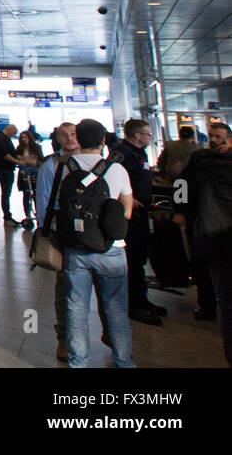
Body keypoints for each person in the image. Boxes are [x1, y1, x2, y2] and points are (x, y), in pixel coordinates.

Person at [53, 119, 134, 368]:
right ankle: (123, 361)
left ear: (79, 139)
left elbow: (59, 206)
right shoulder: (117, 170)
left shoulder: (64, 168)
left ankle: (78, 362)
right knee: (116, 309)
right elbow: (127, 212)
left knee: (76, 308)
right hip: (111, 248)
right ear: (102, 141)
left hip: (76, 248)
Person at [175, 121, 232, 365]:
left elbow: (181, 183)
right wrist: (180, 210)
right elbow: (182, 184)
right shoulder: (199, 161)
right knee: (223, 294)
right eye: (212, 136)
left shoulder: (200, 162)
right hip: (212, 234)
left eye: (219, 136)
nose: (215, 140)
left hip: (210, 232)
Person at [118, 118, 164, 326]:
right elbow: (112, 178)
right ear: (137, 135)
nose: (149, 137)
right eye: (147, 134)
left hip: (141, 213)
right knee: (133, 261)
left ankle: (142, 299)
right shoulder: (122, 153)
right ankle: (133, 305)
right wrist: (126, 198)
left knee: (140, 260)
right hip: (131, 216)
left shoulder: (139, 153)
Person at [0, 124, 21, 226]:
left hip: (7, 169)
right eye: (13, 134)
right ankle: (7, 217)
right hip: (4, 170)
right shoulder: (0, 139)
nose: (13, 136)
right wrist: (17, 162)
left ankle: (8, 216)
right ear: (10, 130)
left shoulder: (5, 138)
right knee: (5, 194)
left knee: (6, 194)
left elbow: (11, 152)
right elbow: (5, 155)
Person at [14, 131, 43, 227]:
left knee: (36, 195)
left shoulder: (37, 148)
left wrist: (29, 161)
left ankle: (39, 215)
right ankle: (27, 215)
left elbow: (40, 161)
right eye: (22, 138)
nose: (24, 139)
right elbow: (18, 160)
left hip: (35, 173)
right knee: (26, 194)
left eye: (25, 137)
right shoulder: (19, 149)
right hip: (24, 173)